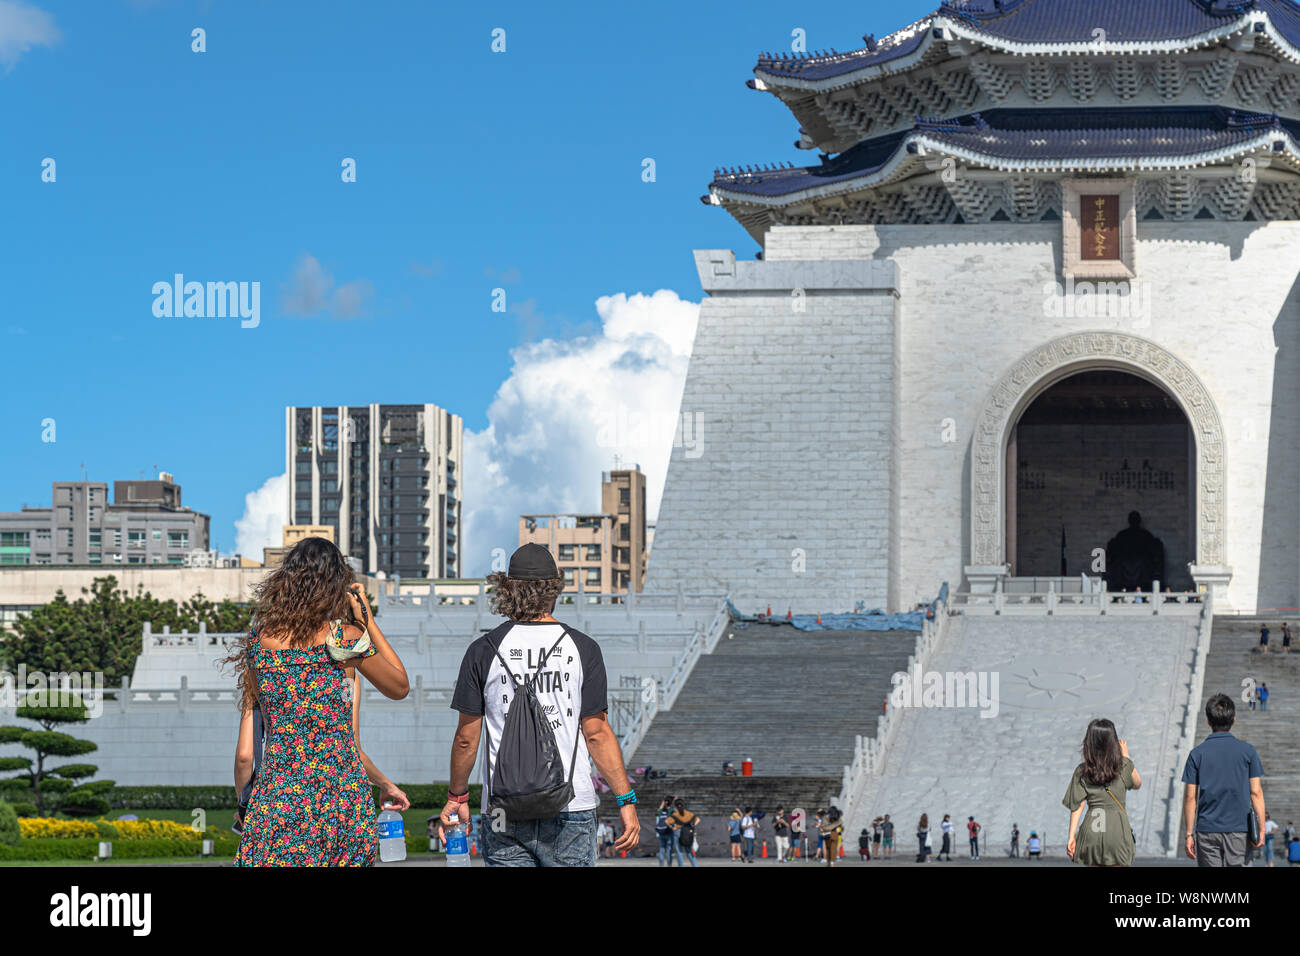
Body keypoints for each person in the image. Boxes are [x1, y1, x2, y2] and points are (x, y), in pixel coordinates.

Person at [441, 543, 640, 867]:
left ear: (507, 590)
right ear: (554, 590)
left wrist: (457, 797)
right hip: (570, 808)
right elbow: (596, 734)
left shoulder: (483, 650)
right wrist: (625, 799)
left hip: (503, 810)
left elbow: (467, 737)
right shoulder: (582, 648)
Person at [230, 537, 410, 866]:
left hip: (279, 801)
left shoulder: (260, 644)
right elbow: (399, 686)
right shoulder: (343, 640)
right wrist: (366, 618)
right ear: (336, 585)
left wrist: (245, 806)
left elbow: (246, 755)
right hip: (342, 802)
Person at [1182, 693, 1266, 867]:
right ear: (1233, 719)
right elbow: (1256, 792)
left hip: (1207, 830)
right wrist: (1262, 828)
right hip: (1239, 829)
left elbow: (1190, 798)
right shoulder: (1248, 751)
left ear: (1208, 722)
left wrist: (1189, 834)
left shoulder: (1196, 754)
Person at [1063, 718, 1142, 867]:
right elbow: (1137, 784)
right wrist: (1126, 756)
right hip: (1117, 830)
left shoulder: (1082, 771)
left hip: (1092, 828)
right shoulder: (1123, 766)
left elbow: (1077, 805)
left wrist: (1071, 836)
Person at [670, 798, 700, 868]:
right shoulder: (688, 813)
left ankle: (681, 865)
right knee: (689, 850)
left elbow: (667, 821)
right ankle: (695, 865)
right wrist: (693, 825)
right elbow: (698, 819)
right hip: (686, 832)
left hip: (677, 831)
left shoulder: (675, 814)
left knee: (679, 851)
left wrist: (672, 827)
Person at [655, 796, 676, 867]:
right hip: (669, 832)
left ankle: (661, 865)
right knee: (668, 851)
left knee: (661, 850)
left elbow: (658, 810)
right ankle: (669, 865)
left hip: (661, 833)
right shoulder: (672, 811)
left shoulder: (661, 811)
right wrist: (674, 801)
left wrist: (664, 800)